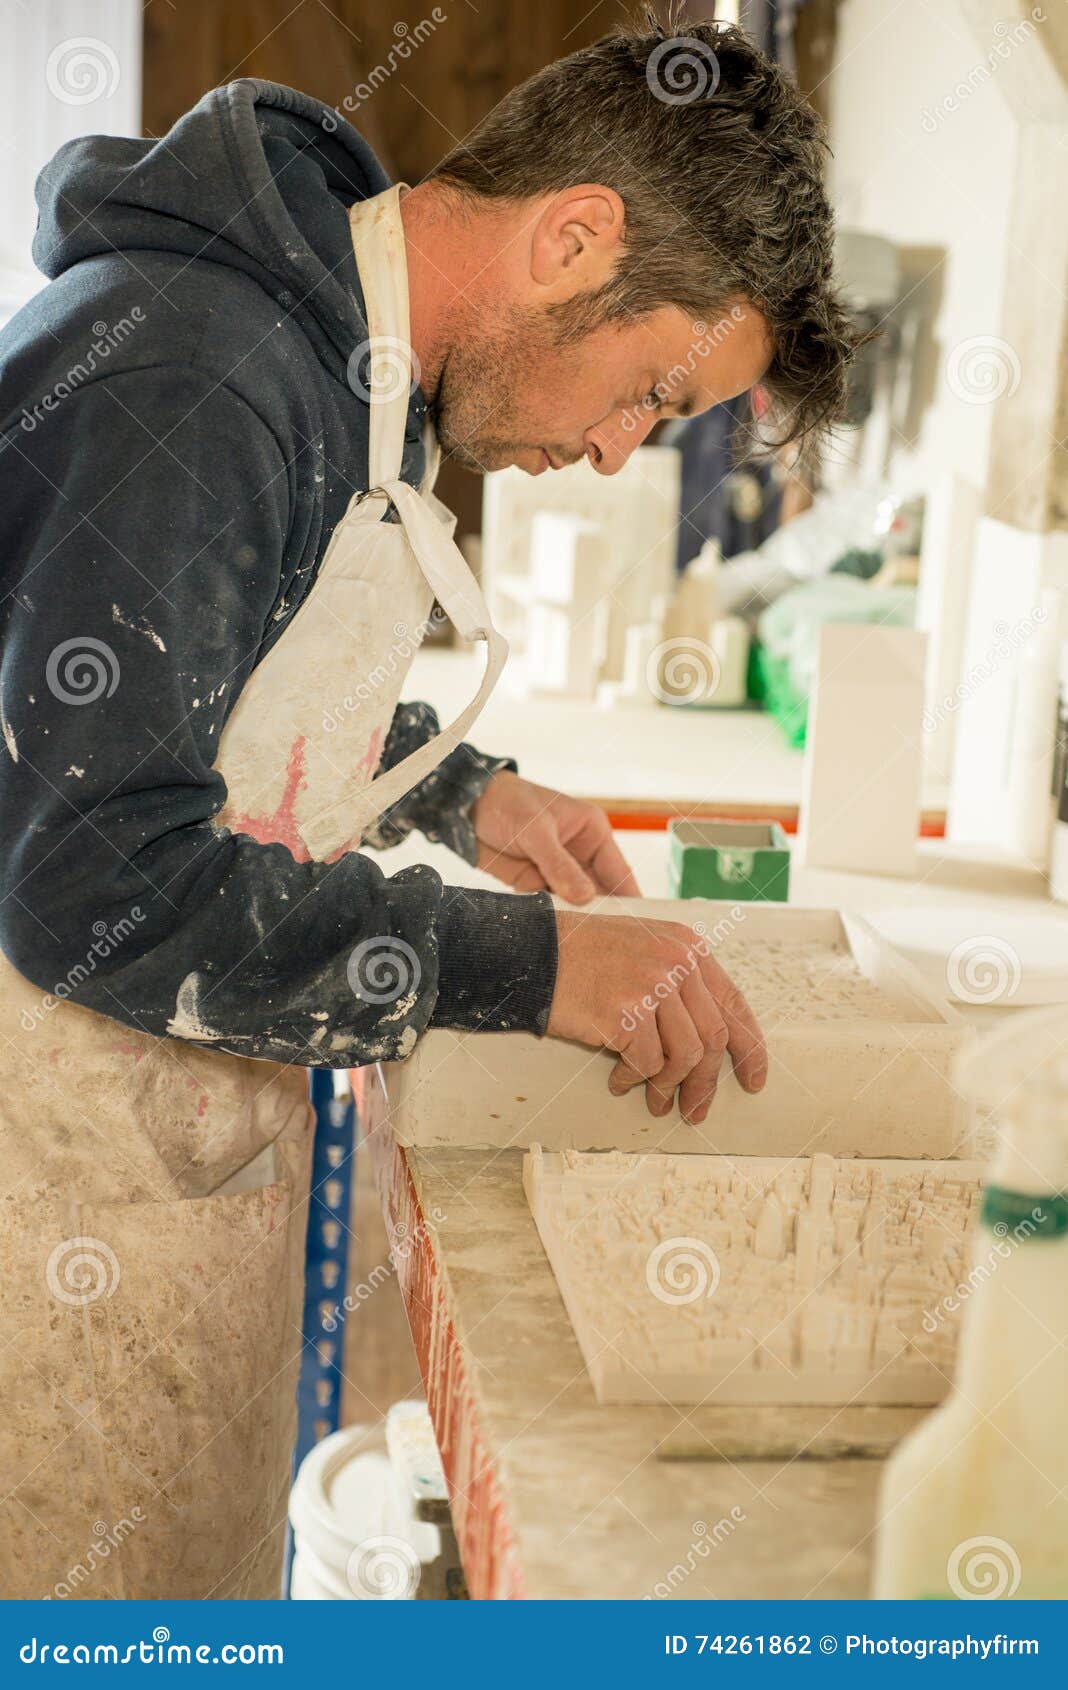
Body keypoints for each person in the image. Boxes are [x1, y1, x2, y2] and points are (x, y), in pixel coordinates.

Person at [0, 14, 854, 1597]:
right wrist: (529, 966)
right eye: (650, 396)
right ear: (572, 237)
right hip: (38, 1214)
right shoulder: (197, 373)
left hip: (159, 1163)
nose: (617, 452)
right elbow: (96, 875)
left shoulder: (345, 360)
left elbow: (213, 673)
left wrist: (464, 793)